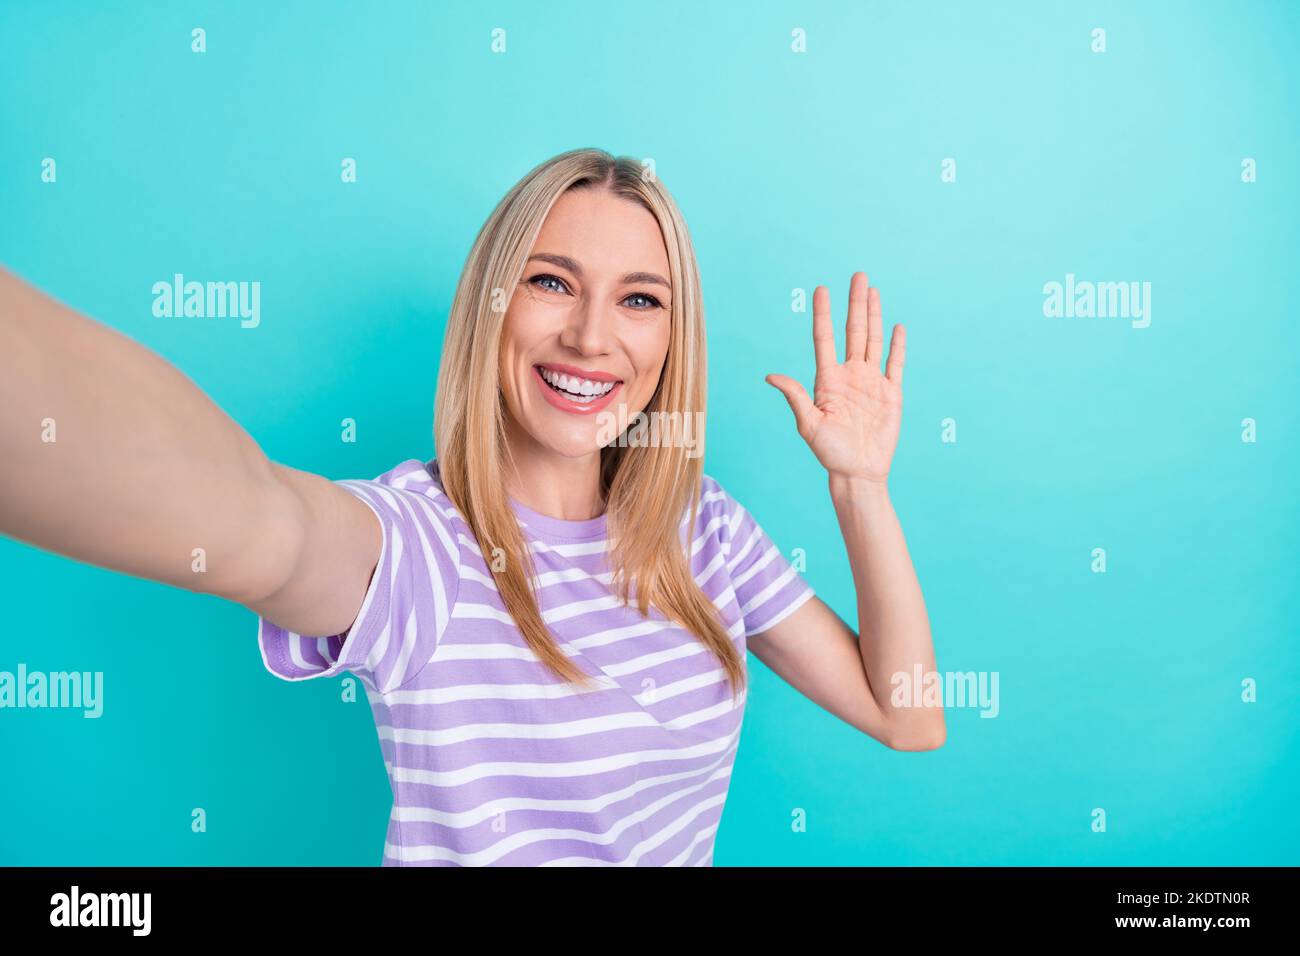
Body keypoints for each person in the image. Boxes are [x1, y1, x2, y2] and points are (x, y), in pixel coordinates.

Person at [0, 147, 943, 866]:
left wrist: (859, 488)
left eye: (640, 300)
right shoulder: (420, 546)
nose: (589, 335)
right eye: (550, 281)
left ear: (672, 338)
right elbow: (255, 519)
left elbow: (909, 717)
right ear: (493, 303)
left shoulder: (704, 527)